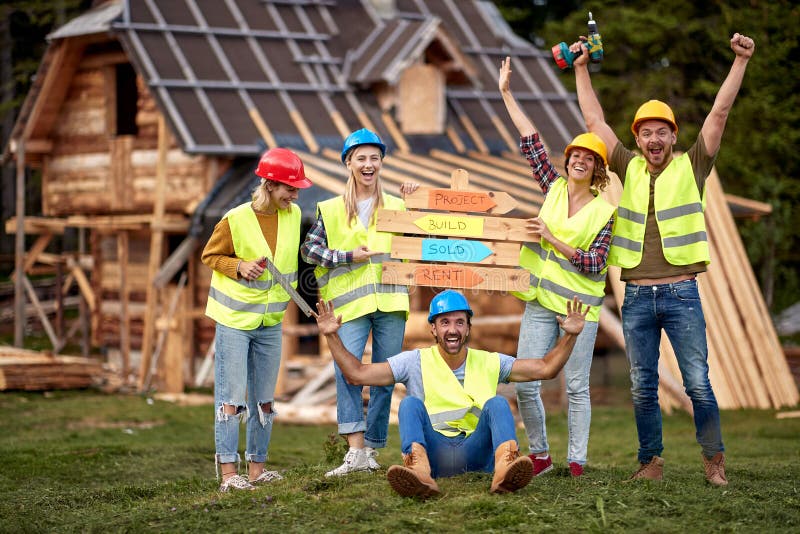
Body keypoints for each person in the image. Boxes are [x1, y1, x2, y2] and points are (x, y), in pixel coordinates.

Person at [573, 33, 756, 486]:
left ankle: (714, 462)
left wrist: (740, 61)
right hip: (635, 296)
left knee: (697, 383)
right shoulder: (626, 164)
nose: (654, 138)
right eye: (645, 132)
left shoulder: (693, 165)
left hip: (681, 292)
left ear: (674, 136)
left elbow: (719, 112)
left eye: (662, 131)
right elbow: (594, 117)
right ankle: (650, 463)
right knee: (642, 386)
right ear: (637, 139)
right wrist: (580, 67)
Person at [312, 290, 589, 497]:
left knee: (498, 403)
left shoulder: (490, 361)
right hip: (432, 455)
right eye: (445, 323)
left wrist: (571, 335)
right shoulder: (414, 360)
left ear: (469, 327)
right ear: (433, 328)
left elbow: (546, 368)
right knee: (409, 405)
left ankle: (505, 471)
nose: (453, 330)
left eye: (459, 322)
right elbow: (357, 374)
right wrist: (331, 336)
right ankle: (419, 474)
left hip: (477, 453)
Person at [499, 57, 615, 478]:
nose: (579, 160)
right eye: (574, 154)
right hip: (540, 302)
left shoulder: (605, 211)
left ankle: (578, 463)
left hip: (578, 311)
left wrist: (552, 239)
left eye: (589, 157)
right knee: (526, 381)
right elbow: (531, 141)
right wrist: (507, 94)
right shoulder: (553, 187)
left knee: (577, 386)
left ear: (598, 168)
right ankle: (543, 455)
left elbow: (594, 262)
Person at [301, 128, 418, 477]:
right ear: (349, 163)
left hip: (391, 303)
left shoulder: (397, 206)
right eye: (361, 158)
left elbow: (419, 244)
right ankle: (354, 451)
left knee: (386, 375)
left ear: (381, 162)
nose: (369, 164)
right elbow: (310, 250)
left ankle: (372, 449)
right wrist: (346, 255)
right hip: (349, 307)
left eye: (374, 158)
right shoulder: (332, 209)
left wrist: (413, 205)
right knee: (347, 372)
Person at [201, 147, 312, 492]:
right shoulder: (235, 219)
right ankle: (230, 476)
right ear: (269, 184)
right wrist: (238, 266)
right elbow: (210, 255)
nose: (294, 195)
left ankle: (257, 471)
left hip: (270, 322)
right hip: (234, 319)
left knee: (264, 400)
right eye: (289, 189)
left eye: (296, 189)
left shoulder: (293, 216)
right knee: (231, 400)